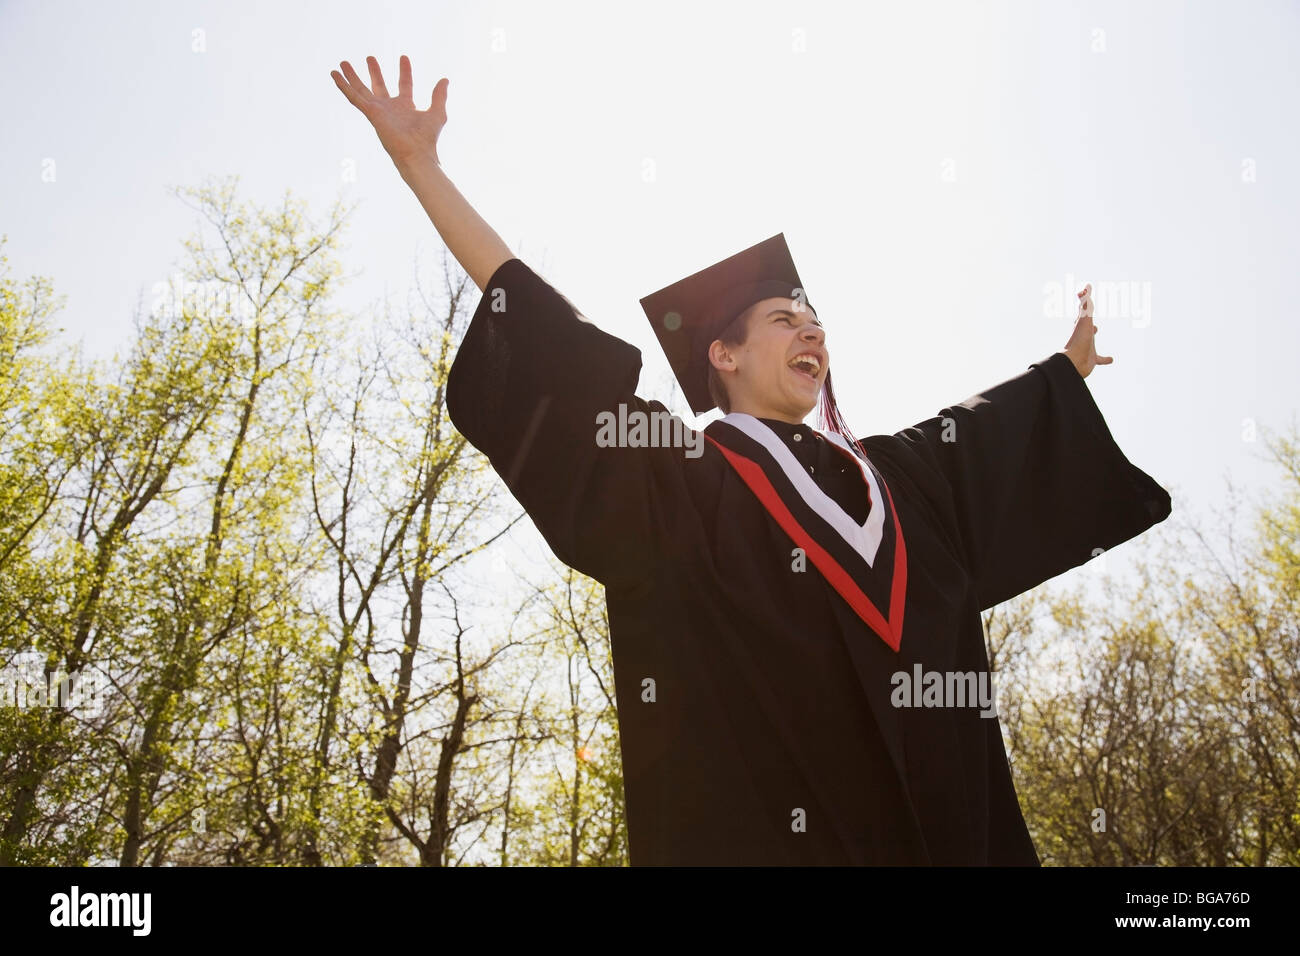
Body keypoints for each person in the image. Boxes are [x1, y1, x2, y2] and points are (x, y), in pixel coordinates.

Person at [331, 55, 1172, 865]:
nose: (813, 331)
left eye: (815, 321)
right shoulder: (680, 482)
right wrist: (423, 171)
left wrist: (1065, 371)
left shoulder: (906, 483)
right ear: (723, 356)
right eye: (782, 318)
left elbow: (994, 430)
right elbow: (558, 350)